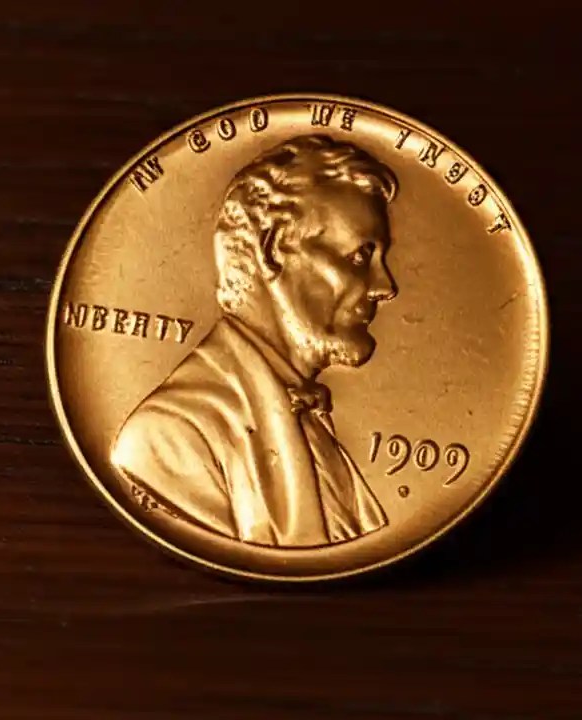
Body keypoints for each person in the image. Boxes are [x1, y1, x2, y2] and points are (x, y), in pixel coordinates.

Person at [111, 134, 400, 548]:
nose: (385, 287)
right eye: (360, 256)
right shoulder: (169, 437)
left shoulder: (309, 415)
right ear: (273, 249)